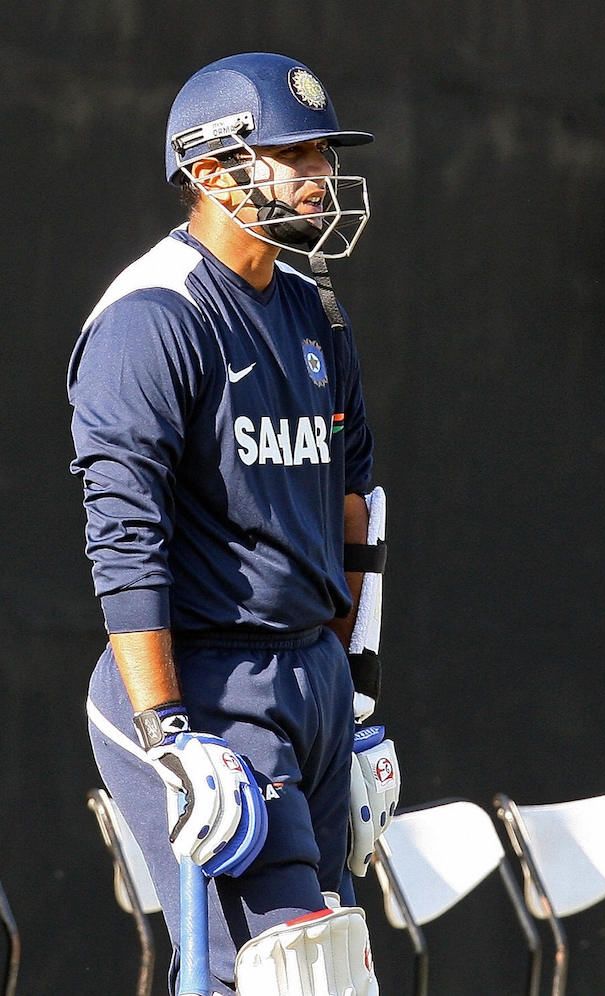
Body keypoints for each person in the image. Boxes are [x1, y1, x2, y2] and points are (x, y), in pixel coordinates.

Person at [70, 53, 399, 995]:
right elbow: (124, 536)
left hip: (315, 681)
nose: (322, 175)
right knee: (271, 974)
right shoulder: (153, 315)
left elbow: (355, 512)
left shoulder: (314, 310)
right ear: (210, 171)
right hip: (212, 684)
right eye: (295, 152)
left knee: (333, 966)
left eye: (324, 153)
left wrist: (358, 698)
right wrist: (169, 733)